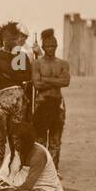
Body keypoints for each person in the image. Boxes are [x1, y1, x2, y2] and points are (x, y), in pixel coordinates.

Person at [0, 20, 34, 163]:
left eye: (13, 38)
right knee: (1, 132)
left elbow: (26, 75)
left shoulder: (20, 55)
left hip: (18, 97)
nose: (11, 40)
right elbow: (13, 73)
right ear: (3, 39)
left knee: (16, 132)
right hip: (3, 96)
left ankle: (16, 162)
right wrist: (15, 74)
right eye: (8, 38)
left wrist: (12, 75)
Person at [32, 27, 71, 169]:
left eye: (53, 46)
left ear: (56, 46)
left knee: (55, 139)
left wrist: (46, 79)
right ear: (43, 47)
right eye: (47, 46)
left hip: (57, 102)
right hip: (42, 102)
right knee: (40, 138)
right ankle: (40, 167)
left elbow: (66, 82)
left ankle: (53, 169)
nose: (50, 49)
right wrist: (55, 80)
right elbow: (37, 84)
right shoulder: (37, 63)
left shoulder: (62, 63)